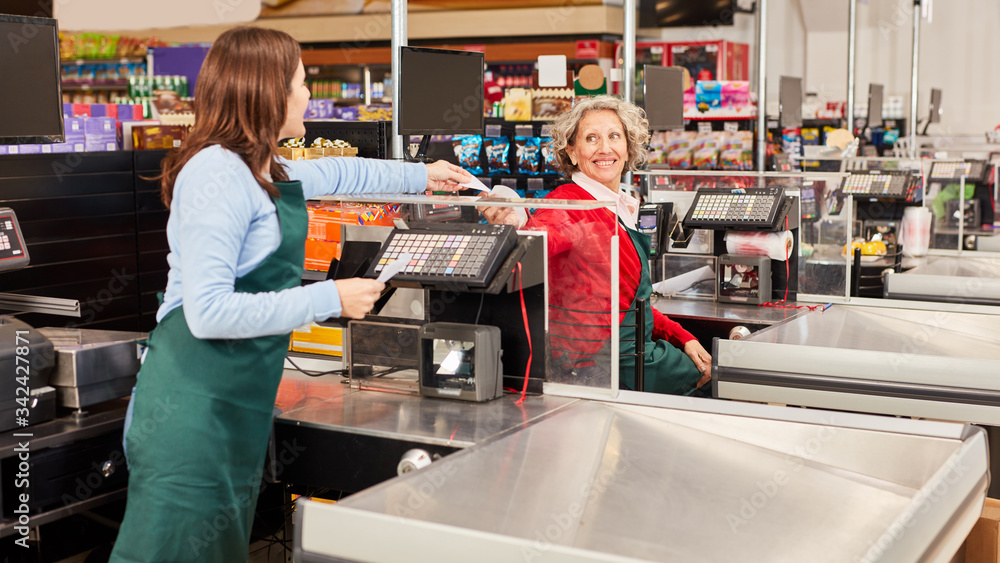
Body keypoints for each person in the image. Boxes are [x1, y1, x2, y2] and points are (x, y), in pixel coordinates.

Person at [109, 27, 472, 563]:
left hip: (232, 404)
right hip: (187, 409)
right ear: (268, 89)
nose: (308, 95)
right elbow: (208, 312)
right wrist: (331, 298)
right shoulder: (216, 172)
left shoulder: (261, 169)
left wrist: (424, 174)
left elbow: (339, 170)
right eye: (301, 83)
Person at [483, 95, 711, 395]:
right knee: (716, 381)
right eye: (591, 138)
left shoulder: (619, 205)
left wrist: (682, 336)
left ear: (628, 147)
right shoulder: (570, 204)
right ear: (573, 152)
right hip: (600, 368)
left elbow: (625, 303)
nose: (605, 148)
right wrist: (519, 221)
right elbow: (545, 232)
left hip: (628, 354)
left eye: (614, 136)